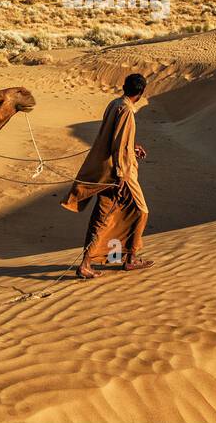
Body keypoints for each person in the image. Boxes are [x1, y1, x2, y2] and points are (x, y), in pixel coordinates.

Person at [62, 73, 153, 278]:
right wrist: (120, 175)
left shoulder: (115, 103)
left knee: (109, 215)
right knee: (139, 211)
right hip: (118, 173)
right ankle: (90, 264)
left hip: (110, 169)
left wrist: (132, 147)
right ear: (141, 93)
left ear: (124, 87)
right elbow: (119, 143)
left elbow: (117, 138)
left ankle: (124, 257)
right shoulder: (127, 110)